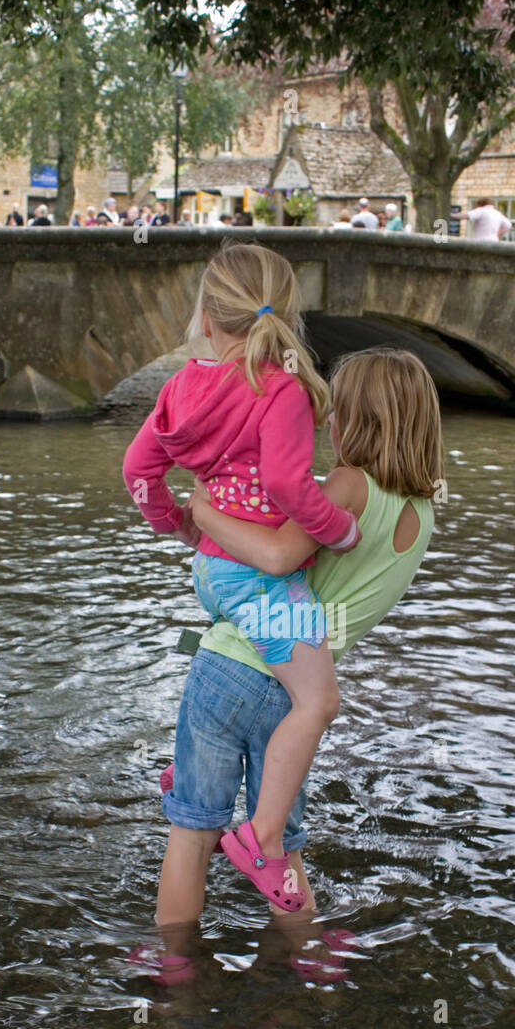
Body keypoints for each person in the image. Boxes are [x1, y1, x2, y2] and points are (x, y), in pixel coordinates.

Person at [143, 347, 442, 974]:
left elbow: (275, 556)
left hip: (233, 666)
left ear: (355, 420)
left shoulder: (348, 486)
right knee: (278, 840)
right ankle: (303, 946)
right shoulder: (422, 513)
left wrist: (201, 513)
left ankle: (176, 969)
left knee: (193, 832)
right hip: (294, 692)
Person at [123, 243, 362, 913]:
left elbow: (137, 474)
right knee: (317, 700)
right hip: (260, 580)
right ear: (284, 318)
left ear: (205, 314)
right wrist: (337, 529)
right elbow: (289, 485)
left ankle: (176, 967)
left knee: (193, 812)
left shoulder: (179, 389)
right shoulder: (278, 390)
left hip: (213, 572)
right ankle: (265, 850)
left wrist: (178, 525)